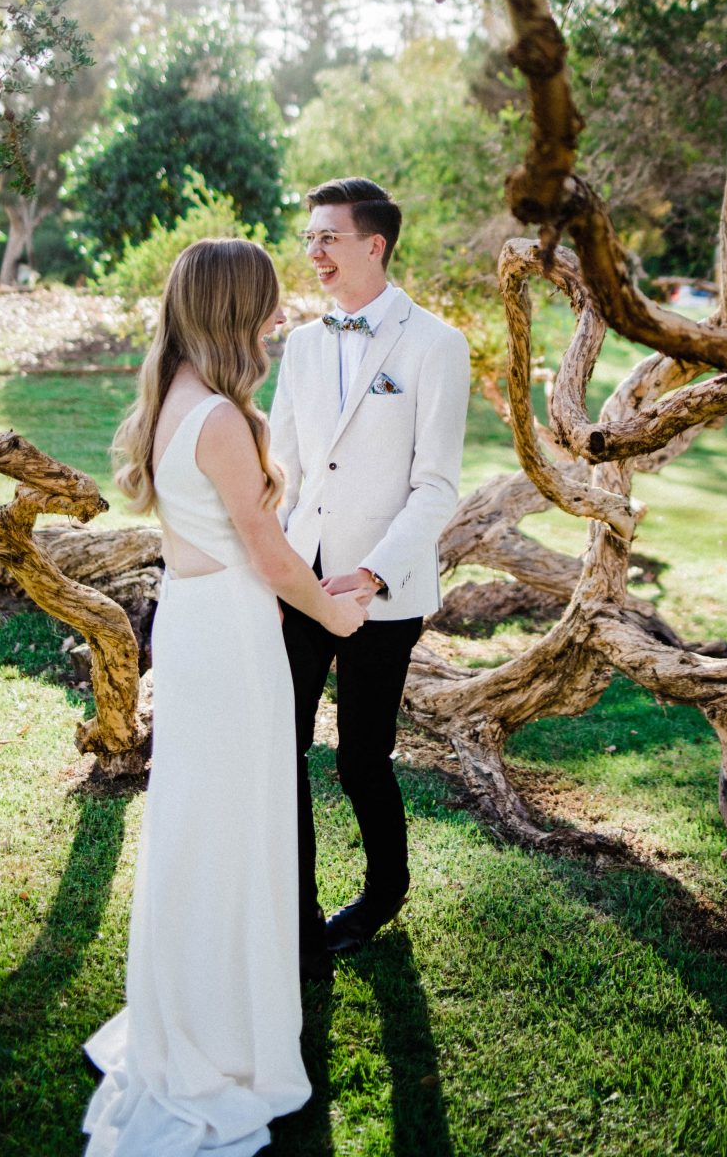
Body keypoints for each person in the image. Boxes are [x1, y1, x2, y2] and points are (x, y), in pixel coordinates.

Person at [82, 238, 366, 1157]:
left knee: (204, 826)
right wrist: (335, 611)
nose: (280, 318)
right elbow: (271, 553)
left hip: (199, 623)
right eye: (268, 305)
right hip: (230, 636)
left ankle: (197, 1010)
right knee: (232, 828)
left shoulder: (174, 395)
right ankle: (219, 1040)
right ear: (233, 312)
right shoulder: (224, 423)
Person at [270, 177, 470, 980]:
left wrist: (373, 573)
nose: (312, 251)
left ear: (373, 245)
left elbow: (437, 487)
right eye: (309, 237)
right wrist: (281, 568)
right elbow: (278, 470)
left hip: (383, 592)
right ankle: (295, 922)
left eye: (327, 237)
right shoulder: (302, 344)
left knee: (359, 759)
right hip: (299, 584)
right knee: (278, 750)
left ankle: (384, 892)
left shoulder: (435, 344)